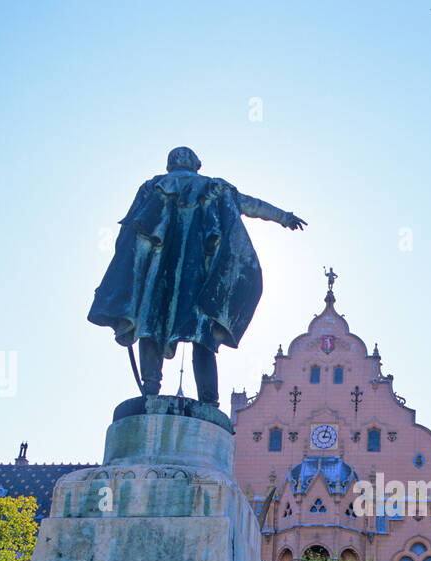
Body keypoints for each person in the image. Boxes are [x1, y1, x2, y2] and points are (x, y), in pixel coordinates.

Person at [89, 146, 306, 404]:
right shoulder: (213, 187)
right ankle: (209, 402)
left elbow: (127, 234)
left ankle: (150, 389)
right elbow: (251, 205)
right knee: (201, 334)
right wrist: (284, 217)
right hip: (198, 275)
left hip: (157, 275)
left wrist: (118, 279)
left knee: (150, 325)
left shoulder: (152, 187)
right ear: (195, 164)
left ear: (170, 164)